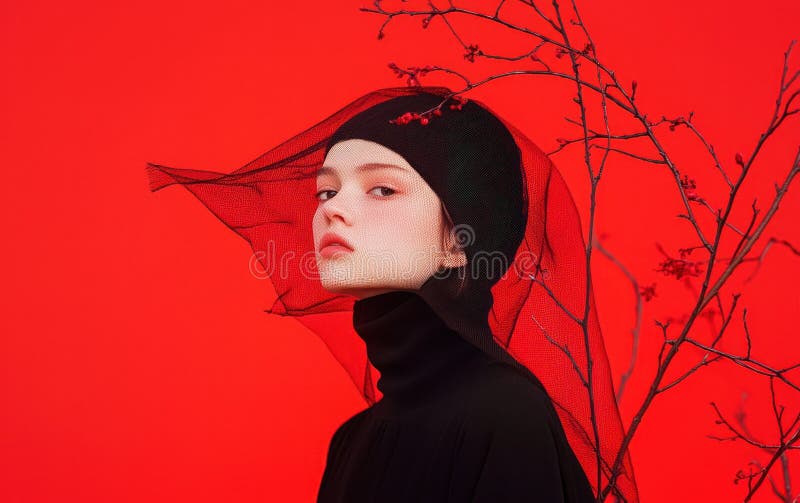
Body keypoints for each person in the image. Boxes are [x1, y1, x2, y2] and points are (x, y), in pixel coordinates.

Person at [145, 86, 639, 502]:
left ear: (457, 241)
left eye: (382, 189)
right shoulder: (352, 441)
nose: (332, 210)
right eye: (326, 191)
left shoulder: (504, 414)